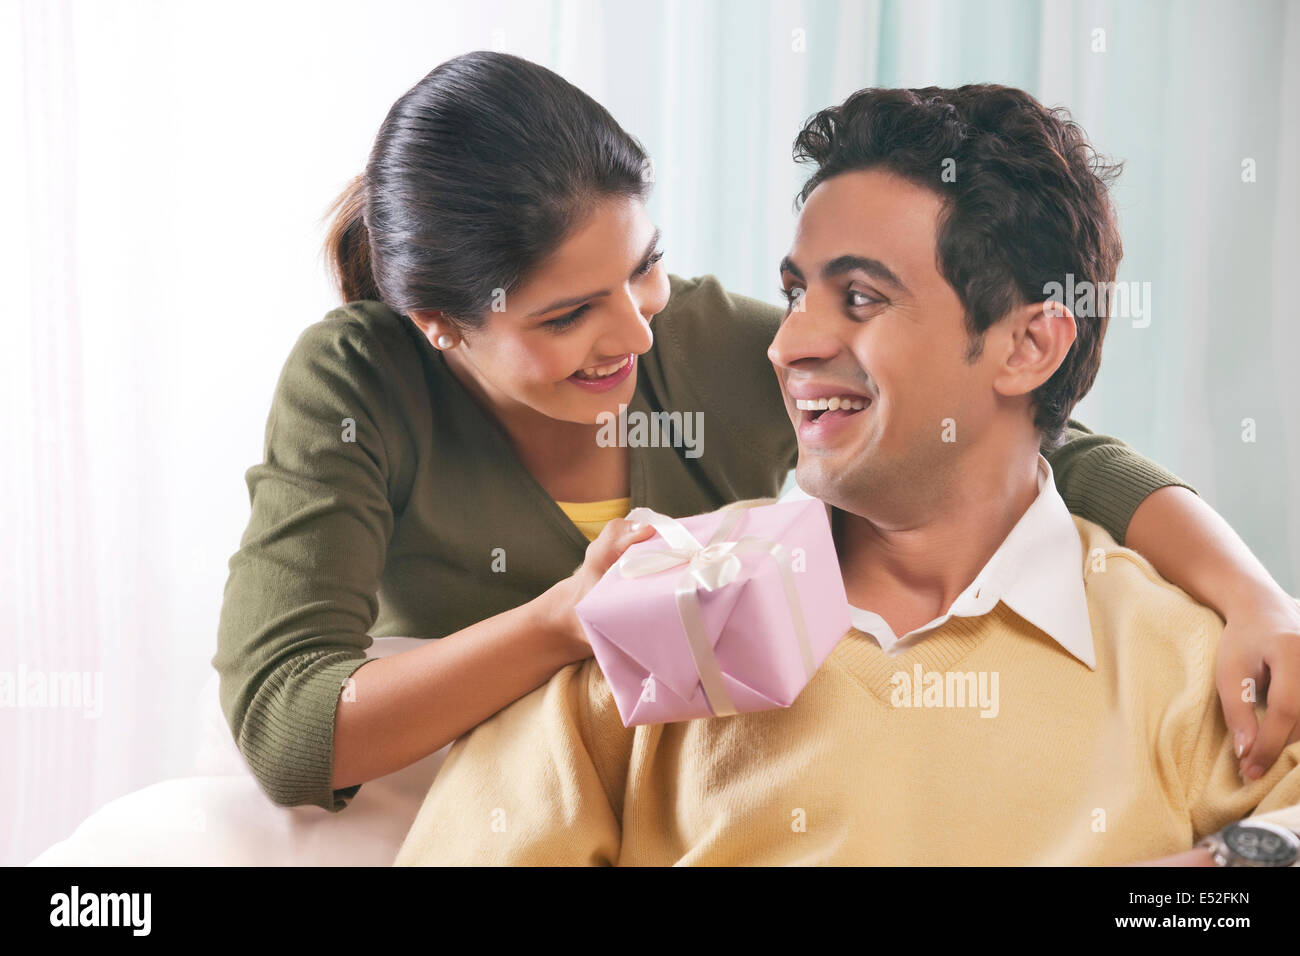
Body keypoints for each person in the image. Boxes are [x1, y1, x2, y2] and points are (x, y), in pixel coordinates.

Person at [214, 53, 1300, 818]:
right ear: (440, 324)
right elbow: (288, 723)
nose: (630, 331)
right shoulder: (360, 382)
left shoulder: (699, 344)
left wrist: (1254, 594)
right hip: (460, 776)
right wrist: (563, 623)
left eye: (642, 265)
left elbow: (1018, 434)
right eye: (565, 316)